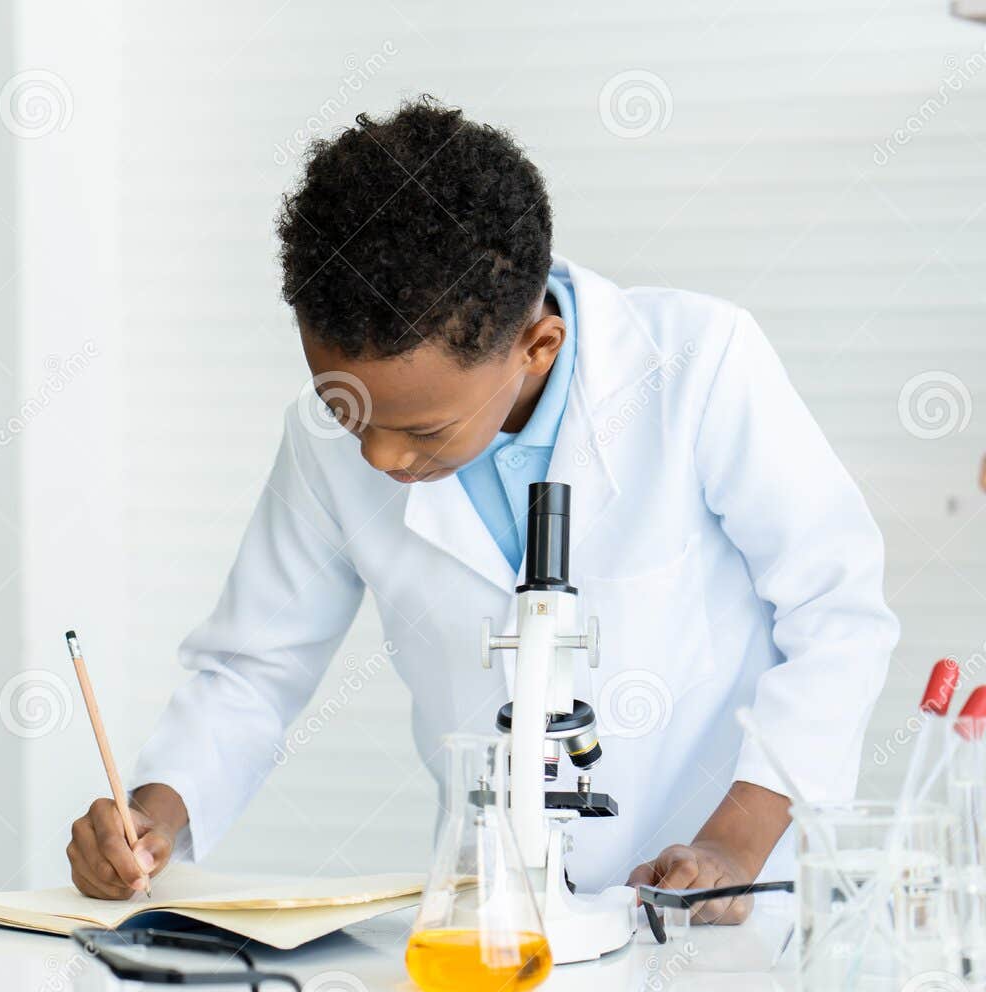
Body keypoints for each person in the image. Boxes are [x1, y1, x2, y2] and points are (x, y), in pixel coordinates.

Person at [65, 98, 897, 924]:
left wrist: (733, 845)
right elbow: (252, 671)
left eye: (422, 430)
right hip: (493, 917)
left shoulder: (697, 366)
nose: (377, 457)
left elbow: (838, 615)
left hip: (718, 916)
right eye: (343, 407)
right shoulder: (328, 442)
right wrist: (152, 817)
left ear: (538, 348)